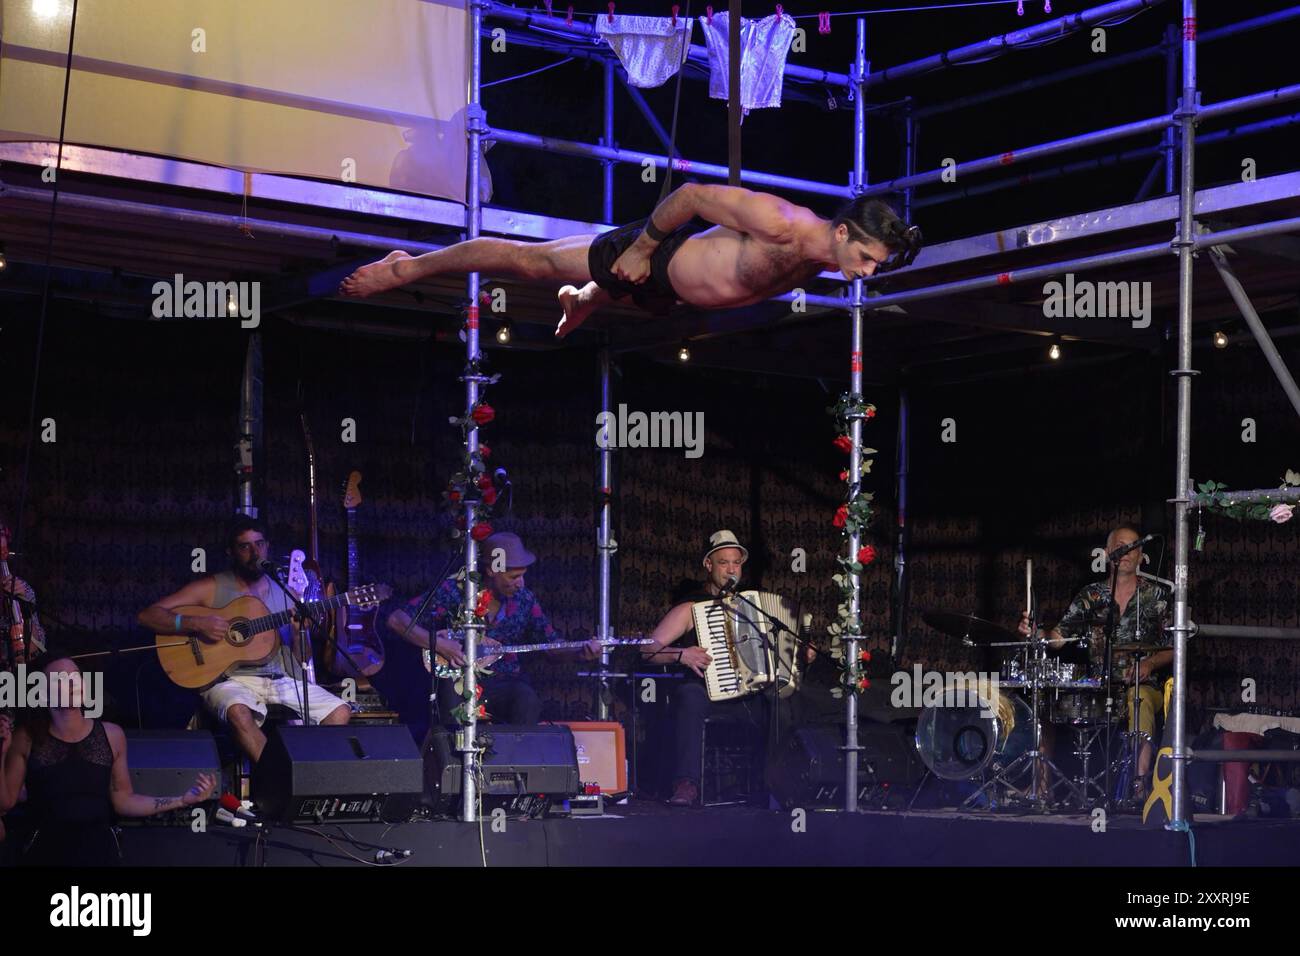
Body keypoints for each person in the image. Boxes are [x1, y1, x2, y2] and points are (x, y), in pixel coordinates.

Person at [339, 186, 920, 336]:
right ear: (842, 231)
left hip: (667, 294)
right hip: (654, 257)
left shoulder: (826, 262)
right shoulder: (781, 222)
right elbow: (690, 195)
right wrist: (642, 247)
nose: (867, 272)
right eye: (866, 258)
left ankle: (586, 298)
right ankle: (408, 266)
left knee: (590, 289)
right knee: (530, 263)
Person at [137, 516, 351, 762]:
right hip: (227, 680)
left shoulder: (287, 595)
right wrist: (195, 623)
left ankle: (307, 776)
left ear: (267, 546)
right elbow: (147, 615)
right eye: (244, 546)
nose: (254, 552)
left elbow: (302, 657)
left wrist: (297, 632)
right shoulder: (212, 587)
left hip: (278, 679)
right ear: (231, 551)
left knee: (340, 711)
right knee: (238, 711)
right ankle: (275, 777)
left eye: (259, 544)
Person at [640, 530, 812, 807]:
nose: (731, 569)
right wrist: (681, 654)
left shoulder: (753, 607)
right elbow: (647, 649)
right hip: (708, 695)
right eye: (723, 563)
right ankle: (687, 784)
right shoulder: (691, 607)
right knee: (690, 697)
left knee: (783, 700)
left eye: (736, 563)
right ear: (708, 565)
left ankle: (780, 785)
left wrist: (802, 651)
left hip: (747, 698)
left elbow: (781, 650)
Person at [0, 655, 216, 866]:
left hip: (99, 852)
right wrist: (2, 752)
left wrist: (181, 800)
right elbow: (6, 801)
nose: (73, 683)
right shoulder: (26, 738)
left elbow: (123, 800)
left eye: (76, 676)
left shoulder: (112, 735)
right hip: (46, 852)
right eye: (61, 679)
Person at [378, 532, 599, 735]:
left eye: (523, 576)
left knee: (526, 698)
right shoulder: (453, 591)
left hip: (504, 682)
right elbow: (396, 620)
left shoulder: (524, 600)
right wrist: (440, 644)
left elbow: (551, 646)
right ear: (493, 570)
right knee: (450, 701)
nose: (520, 583)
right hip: (457, 683)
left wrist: (580, 652)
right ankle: (453, 768)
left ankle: (513, 767)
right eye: (513, 577)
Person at [1018, 526, 1172, 800]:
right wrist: (1036, 633)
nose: (1124, 552)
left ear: (1140, 556)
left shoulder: (1158, 596)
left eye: (1131, 547)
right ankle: (1040, 786)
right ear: (1108, 554)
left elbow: (1176, 648)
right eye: (1118, 547)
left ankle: (1139, 787)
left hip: (1143, 684)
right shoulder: (1090, 595)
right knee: (1047, 700)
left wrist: (1149, 663)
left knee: (1140, 699)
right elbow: (1057, 639)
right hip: (1098, 687)